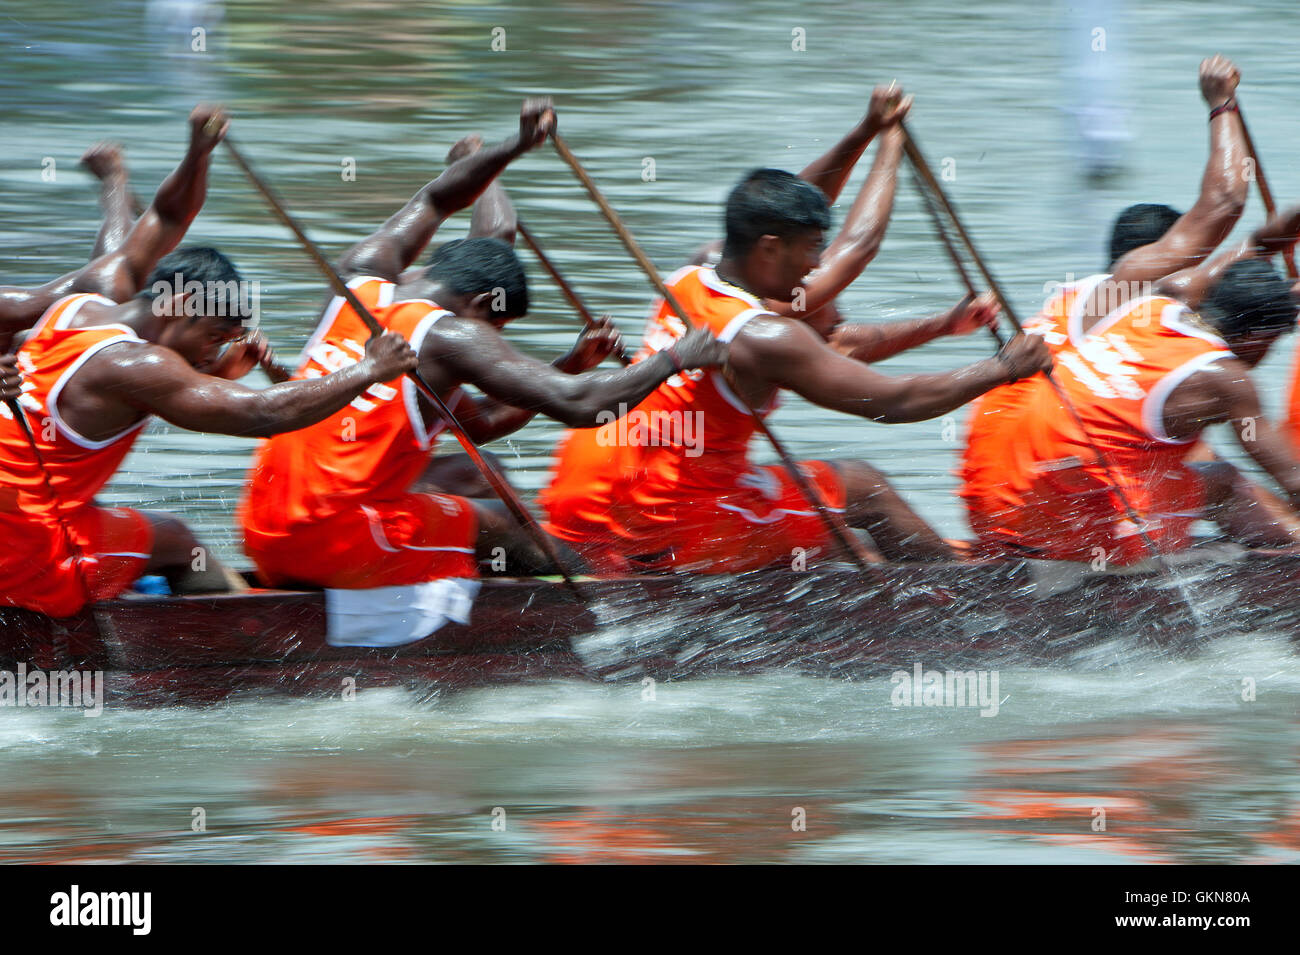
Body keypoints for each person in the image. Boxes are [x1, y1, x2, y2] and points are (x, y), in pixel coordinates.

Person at [239, 101, 728, 618]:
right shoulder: (449, 337)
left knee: (481, 471)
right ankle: (600, 619)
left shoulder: (362, 275)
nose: (490, 341)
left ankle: (496, 590)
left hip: (260, 524)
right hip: (328, 547)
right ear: (476, 309)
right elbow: (579, 405)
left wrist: (511, 147)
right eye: (495, 328)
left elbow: (438, 198)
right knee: (506, 528)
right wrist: (676, 355)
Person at [541, 166, 1052, 574]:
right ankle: (972, 608)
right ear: (769, 248)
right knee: (862, 488)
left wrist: (864, 131)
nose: (816, 266)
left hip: (608, 503)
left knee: (836, 537)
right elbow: (895, 403)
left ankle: (871, 590)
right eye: (811, 250)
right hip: (671, 528)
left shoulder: (690, 279)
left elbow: (838, 345)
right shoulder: (765, 337)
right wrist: (1004, 366)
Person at [0, 246, 420, 618]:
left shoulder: (75, 310)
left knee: (101, 505)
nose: (212, 353)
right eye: (214, 337)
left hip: (21, 513)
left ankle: (125, 592)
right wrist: (372, 369)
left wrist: (214, 374)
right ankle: (240, 646)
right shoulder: (138, 365)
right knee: (180, 541)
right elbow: (263, 414)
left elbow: (143, 393)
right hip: (23, 557)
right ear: (181, 304)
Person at [961, 205, 1300, 563]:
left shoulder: (1120, 302)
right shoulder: (1224, 377)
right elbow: (1293, 481)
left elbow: (1246, 252)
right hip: (1075, 535)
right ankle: (1287, 563)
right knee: (1220, 476)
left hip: (993, 505)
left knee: (1183, 452)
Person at [1, 106, 227, 353]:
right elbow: (168, 217)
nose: (213, 354)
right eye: (215, 340)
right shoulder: (105, 297)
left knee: (113, 271)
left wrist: (199, 155)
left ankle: (114, 180)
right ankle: (114, 180)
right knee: (110, 275)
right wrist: (197, 155)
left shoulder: (117, 297)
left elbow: (169, 218)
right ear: (176, 309)